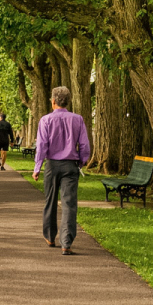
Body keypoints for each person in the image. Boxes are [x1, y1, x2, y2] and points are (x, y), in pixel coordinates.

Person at [32, 86, 91, 256]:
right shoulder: (78, 119)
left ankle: (50, 237)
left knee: (50, 201)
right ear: (68, 101)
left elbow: (42, 146)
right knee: (69, 204)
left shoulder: (45, 120)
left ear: (53, 101)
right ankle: (66, 242)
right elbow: (85, 146)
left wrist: (37, 167)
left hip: (52, 166)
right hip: (70, 165)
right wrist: (80, 162)